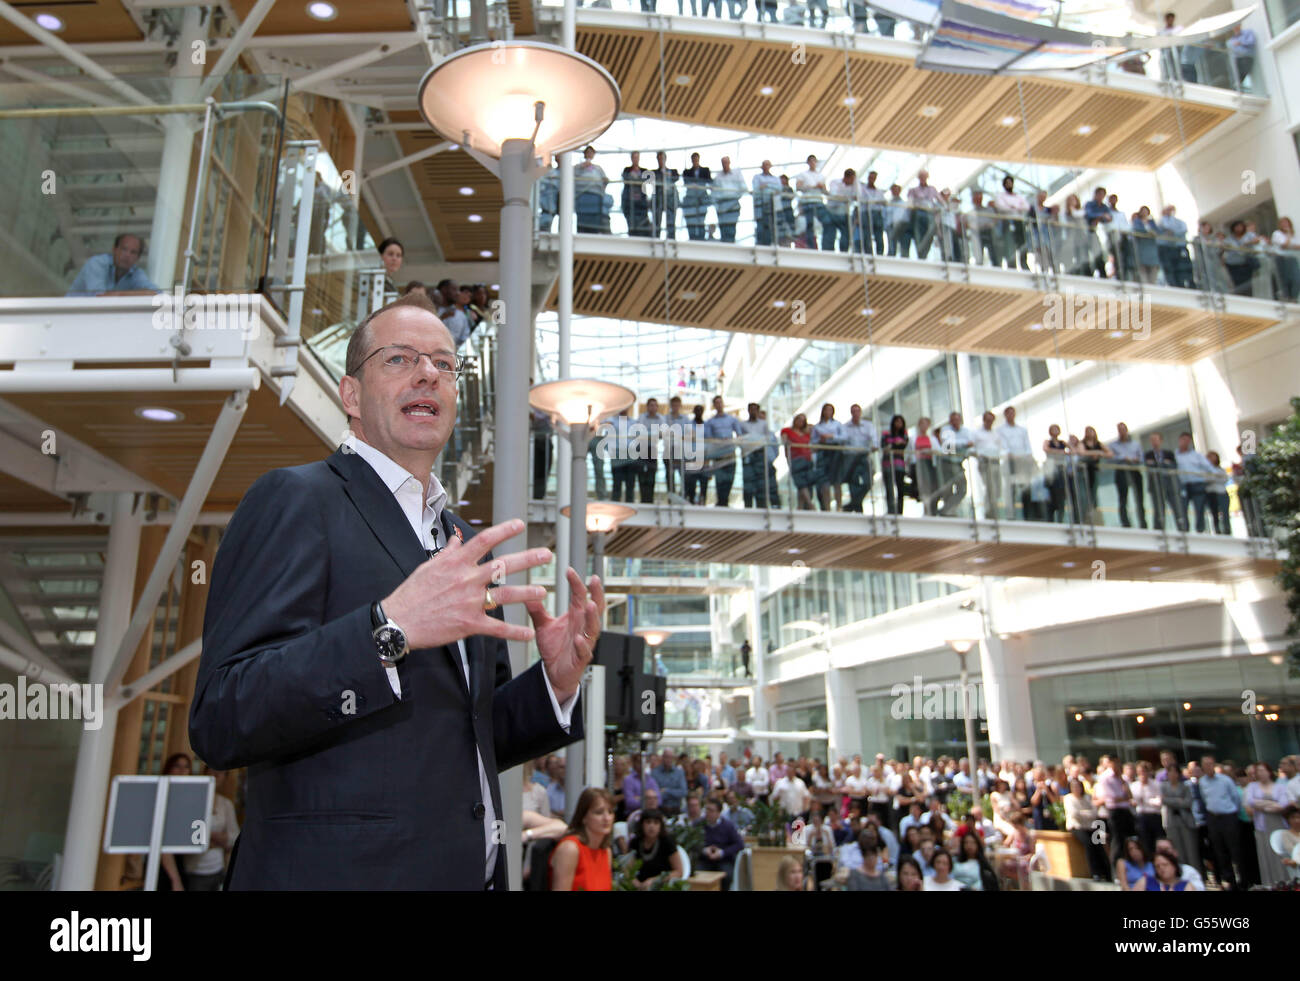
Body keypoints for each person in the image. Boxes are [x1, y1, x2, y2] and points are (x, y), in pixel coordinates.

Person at [190, 292, 600, 890]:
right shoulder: (297, 500)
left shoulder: (463, 542)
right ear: (351, 394)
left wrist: (555, 685)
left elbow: (472, 733)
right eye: (400, 359)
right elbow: (222, 716)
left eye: (443, 363)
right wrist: (387, 631)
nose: (428, 373)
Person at [182, 766, 239, 891]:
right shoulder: (192, 801)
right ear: (205, 772)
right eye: (213, 770)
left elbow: (234, 836)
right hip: (195, 869)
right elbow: (186, 834)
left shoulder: (226, 804)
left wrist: (213, 837)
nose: (217, 775)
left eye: (221, 772)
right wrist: (214, 836)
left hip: (218, 868)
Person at [549, 787, 615, 891]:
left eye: (610, 812)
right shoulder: (570, 848)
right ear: (584, 817)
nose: (607, 818)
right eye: (599, 812)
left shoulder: (606, 852)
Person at [1200, 755, 1245, 890]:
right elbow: (1204, 799)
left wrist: (1231, 812)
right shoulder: (1202, 782)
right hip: (1213, 818)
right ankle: (1230, 881)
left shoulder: (1225, 780)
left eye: (1210, 764)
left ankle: (1243, 880)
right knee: (1220, 850)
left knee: (1235, 849)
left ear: (1214, 765)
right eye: (1205, 764)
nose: (1208, 767)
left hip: (1228, 817)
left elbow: (1235, 797)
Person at [66, 233, 160, 295]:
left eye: (133, 252)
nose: (127, 255)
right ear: (114, 249)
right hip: (68, 315)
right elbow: (99, 298)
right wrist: (137, 294)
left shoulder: (136, 274)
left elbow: (158, 294)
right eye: (124, 249)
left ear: (137, 258)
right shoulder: (97, 263)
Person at [1244, 762, 1290, 887]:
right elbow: (1250, 802)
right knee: (1266, 854)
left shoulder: (1280, 787)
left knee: (1280, 852)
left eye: (1262, 770)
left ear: (1269, 771)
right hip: (1262, 827)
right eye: (1258, 771)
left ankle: (1286, 882)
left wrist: (1261, 805)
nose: (1260, 773)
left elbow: (1283, 805)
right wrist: (1271, 804)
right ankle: (1271, 884)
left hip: (1278, 823)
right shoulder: (1252, 787)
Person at [1159, 764, 1200, 877]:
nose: (1172, 775)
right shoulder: (1164, 786)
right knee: (1177, 850)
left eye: (1174, 772)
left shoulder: (1185, 787)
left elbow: (1188, 802)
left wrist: (1171, 801)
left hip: (1185, 820)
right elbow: (1163, 800)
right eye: (1170, 772)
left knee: (1191, 850)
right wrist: (1178, 800)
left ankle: (1195, 876)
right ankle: (1181, 875)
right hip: (1171, 821)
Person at [626, 808, 683, 888]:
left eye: (656, 823)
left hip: (663, 885)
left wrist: (655, 880)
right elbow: (628, 870)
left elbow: (679, 872)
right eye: (648, 822)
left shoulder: (667, 842)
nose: (651, 826)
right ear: (642, 824)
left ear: (660, 826)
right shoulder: (635, 842)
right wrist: (635, 883)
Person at [702, 395, 743, 505]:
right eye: (717, 403)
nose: (719, 405)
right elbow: (709, 439)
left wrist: (731, 441)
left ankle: (725, 503)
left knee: (729, 481)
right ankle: (721, 503)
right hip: (719, 455)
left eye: (720, 402)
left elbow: (739, 435)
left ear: (723, 404)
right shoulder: (710, 422)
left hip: (730, 454)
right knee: (720, 482)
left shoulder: (732, 419)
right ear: (714, 405)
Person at [1174, 431, 1218, 533]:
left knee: (1199, 508)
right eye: (1183, 440)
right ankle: (1185, 530)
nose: (1185, 442)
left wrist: (1213, 476)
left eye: (1187, 440)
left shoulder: (1196, 455)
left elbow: (1209, 467)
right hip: (1183, 485)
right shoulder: (1175, 455)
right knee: (1183, 508)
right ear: (1179, 440)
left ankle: (1200, 530)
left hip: (1197, 484)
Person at [698, 797, 744, 887]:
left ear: (718, 813)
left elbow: (739, 844)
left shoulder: (728, 826)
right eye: (706, 810)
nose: (708, 813)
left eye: (711, 810)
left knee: (726, 876)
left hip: (724, 860)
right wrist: (704, 850)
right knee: (697, 874)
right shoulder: (699, 824)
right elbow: (692, 844)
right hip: (704, 860)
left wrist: (722, 853)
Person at [839, 404, 877, 512]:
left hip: (864, 455)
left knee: (868, 482)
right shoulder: (846, 427)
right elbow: (843, 442)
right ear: (851, 413)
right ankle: (857, 508)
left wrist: (874, 446)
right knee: (853, 482)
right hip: (851, 457)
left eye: (857, 411)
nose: (856, 413)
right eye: (854, 411)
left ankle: (853, 504)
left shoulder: (868, 425)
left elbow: (874, 439)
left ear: (860, 412)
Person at [1108, 422, 1146, 528]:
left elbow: (1141, 458)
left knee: (1139, 498)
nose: (1122, 432)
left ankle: (1142, 522)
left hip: (1134, 470)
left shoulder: (1135, 444)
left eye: (1123, 429)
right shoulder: (1113, 445)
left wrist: (1135, 459)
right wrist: (1123, 458)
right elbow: (1109, 458)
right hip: (1121, 471)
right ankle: (1125, 522)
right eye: (1120, 430)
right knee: (1123, 498)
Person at [1145, 432, 1183, 532]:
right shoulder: (1148, 454)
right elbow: (1149, 466)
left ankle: (1182, 528)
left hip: (1170, 485)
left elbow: (1173, 466)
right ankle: (1159, 529)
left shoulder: (1169, 453)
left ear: (1161, 441)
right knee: (1158, 508)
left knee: (1176, 506)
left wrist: (1157, 464)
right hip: (1156, 485)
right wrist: (1163, 464)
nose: (1154, 442)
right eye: (1152, 440)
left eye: (1156, 439)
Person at [781, 412, 816, 510]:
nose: (801, 422)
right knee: (801, 483)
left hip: (807, 459)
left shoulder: (806, 434)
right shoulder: (787, 431)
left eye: (803, 420)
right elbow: (784, 441)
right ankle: (809, 504)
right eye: (799, 419)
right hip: (795, 459)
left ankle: (800, 506)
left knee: (807, 483)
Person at [574, 145, 609, 234]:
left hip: (595, 196)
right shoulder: (578, 167)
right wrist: (582, 167)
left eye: (591, 153)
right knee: (583, 221)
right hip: (582, 196)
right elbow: (572, 175)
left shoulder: (598, 168)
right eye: (588, 152)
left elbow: (604, 179)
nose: (589, 154)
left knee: (594, 220)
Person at [711, 156, 745, 242]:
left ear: (729, 163)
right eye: (723, 163)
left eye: (726, 162)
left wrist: (733, 196)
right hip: (721, 205)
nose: (725, 164)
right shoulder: (718, 176)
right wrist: (717, 206)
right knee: (723, 228)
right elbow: (714, 193)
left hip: (733, 204)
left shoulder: (737, 174)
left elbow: (743, 188)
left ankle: (731, 243)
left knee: (731, 228)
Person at [881, 414, 910, 515]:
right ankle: (891, 510)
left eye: (900, 422)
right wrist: (895, 444)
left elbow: (903, 446)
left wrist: (892, 446)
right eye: (897, 422)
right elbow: (884, 446)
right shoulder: (886, 434)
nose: (898, 424)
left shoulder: (904, 434)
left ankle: (900, 511)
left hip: (899, 465)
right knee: (889, 489)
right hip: (887, 464)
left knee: (900, 489)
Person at [681, 152, 712, 241]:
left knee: (701, 220)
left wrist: (699, 186)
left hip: (702, 198)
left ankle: (701, 238)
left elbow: (710, 182)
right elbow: (686, 183)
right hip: (691, 199)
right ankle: (692, 237)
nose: (695, 161)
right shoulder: (687, 172)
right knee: (691, 219)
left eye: (696, 160)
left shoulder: (705, 170)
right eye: (693, 160)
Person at [1136, 849, 1200, 891]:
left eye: (1165, 864)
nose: (1161, 868)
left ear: (1174, 866)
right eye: (1157, 866)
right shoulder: (1145, 881)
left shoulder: (1187, 886)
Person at [651, 151, 679, 239]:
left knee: (670, 220)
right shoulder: (654, 172)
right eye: (659, 159)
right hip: (658, 200)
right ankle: (656, 237)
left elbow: (676, 177)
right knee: (657, 220)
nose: (661, 161)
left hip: (670, 200)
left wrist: (667, 174)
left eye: (662, 159)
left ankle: (671, 237)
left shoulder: (672, 171)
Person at [1204, 450, 1232, 535]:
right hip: (1211, 493)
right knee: (1214, 513)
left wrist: (1213, 478)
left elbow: (1224, 479)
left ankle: (1227, 529)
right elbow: (1206, 480)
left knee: (1225, 512)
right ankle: (1217, 529)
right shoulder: (1205, 470)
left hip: (1222, 493)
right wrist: (1215, 478)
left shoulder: (1220, 470)